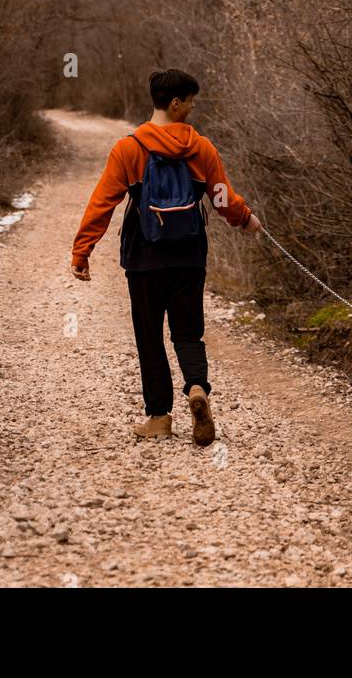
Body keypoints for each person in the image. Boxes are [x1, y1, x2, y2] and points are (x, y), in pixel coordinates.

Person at [70, 68, 262, 445]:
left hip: (144, 257)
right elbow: (222, 199)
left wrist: (83, 250)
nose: (193, 107)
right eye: (190, 101)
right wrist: (246, 220)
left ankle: (159, 417)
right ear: (176, 103)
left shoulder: (129, 149)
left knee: (149, 335)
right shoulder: (201, 149)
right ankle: (196, 387)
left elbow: (102, 203)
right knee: (188, 332)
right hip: (189, 255)